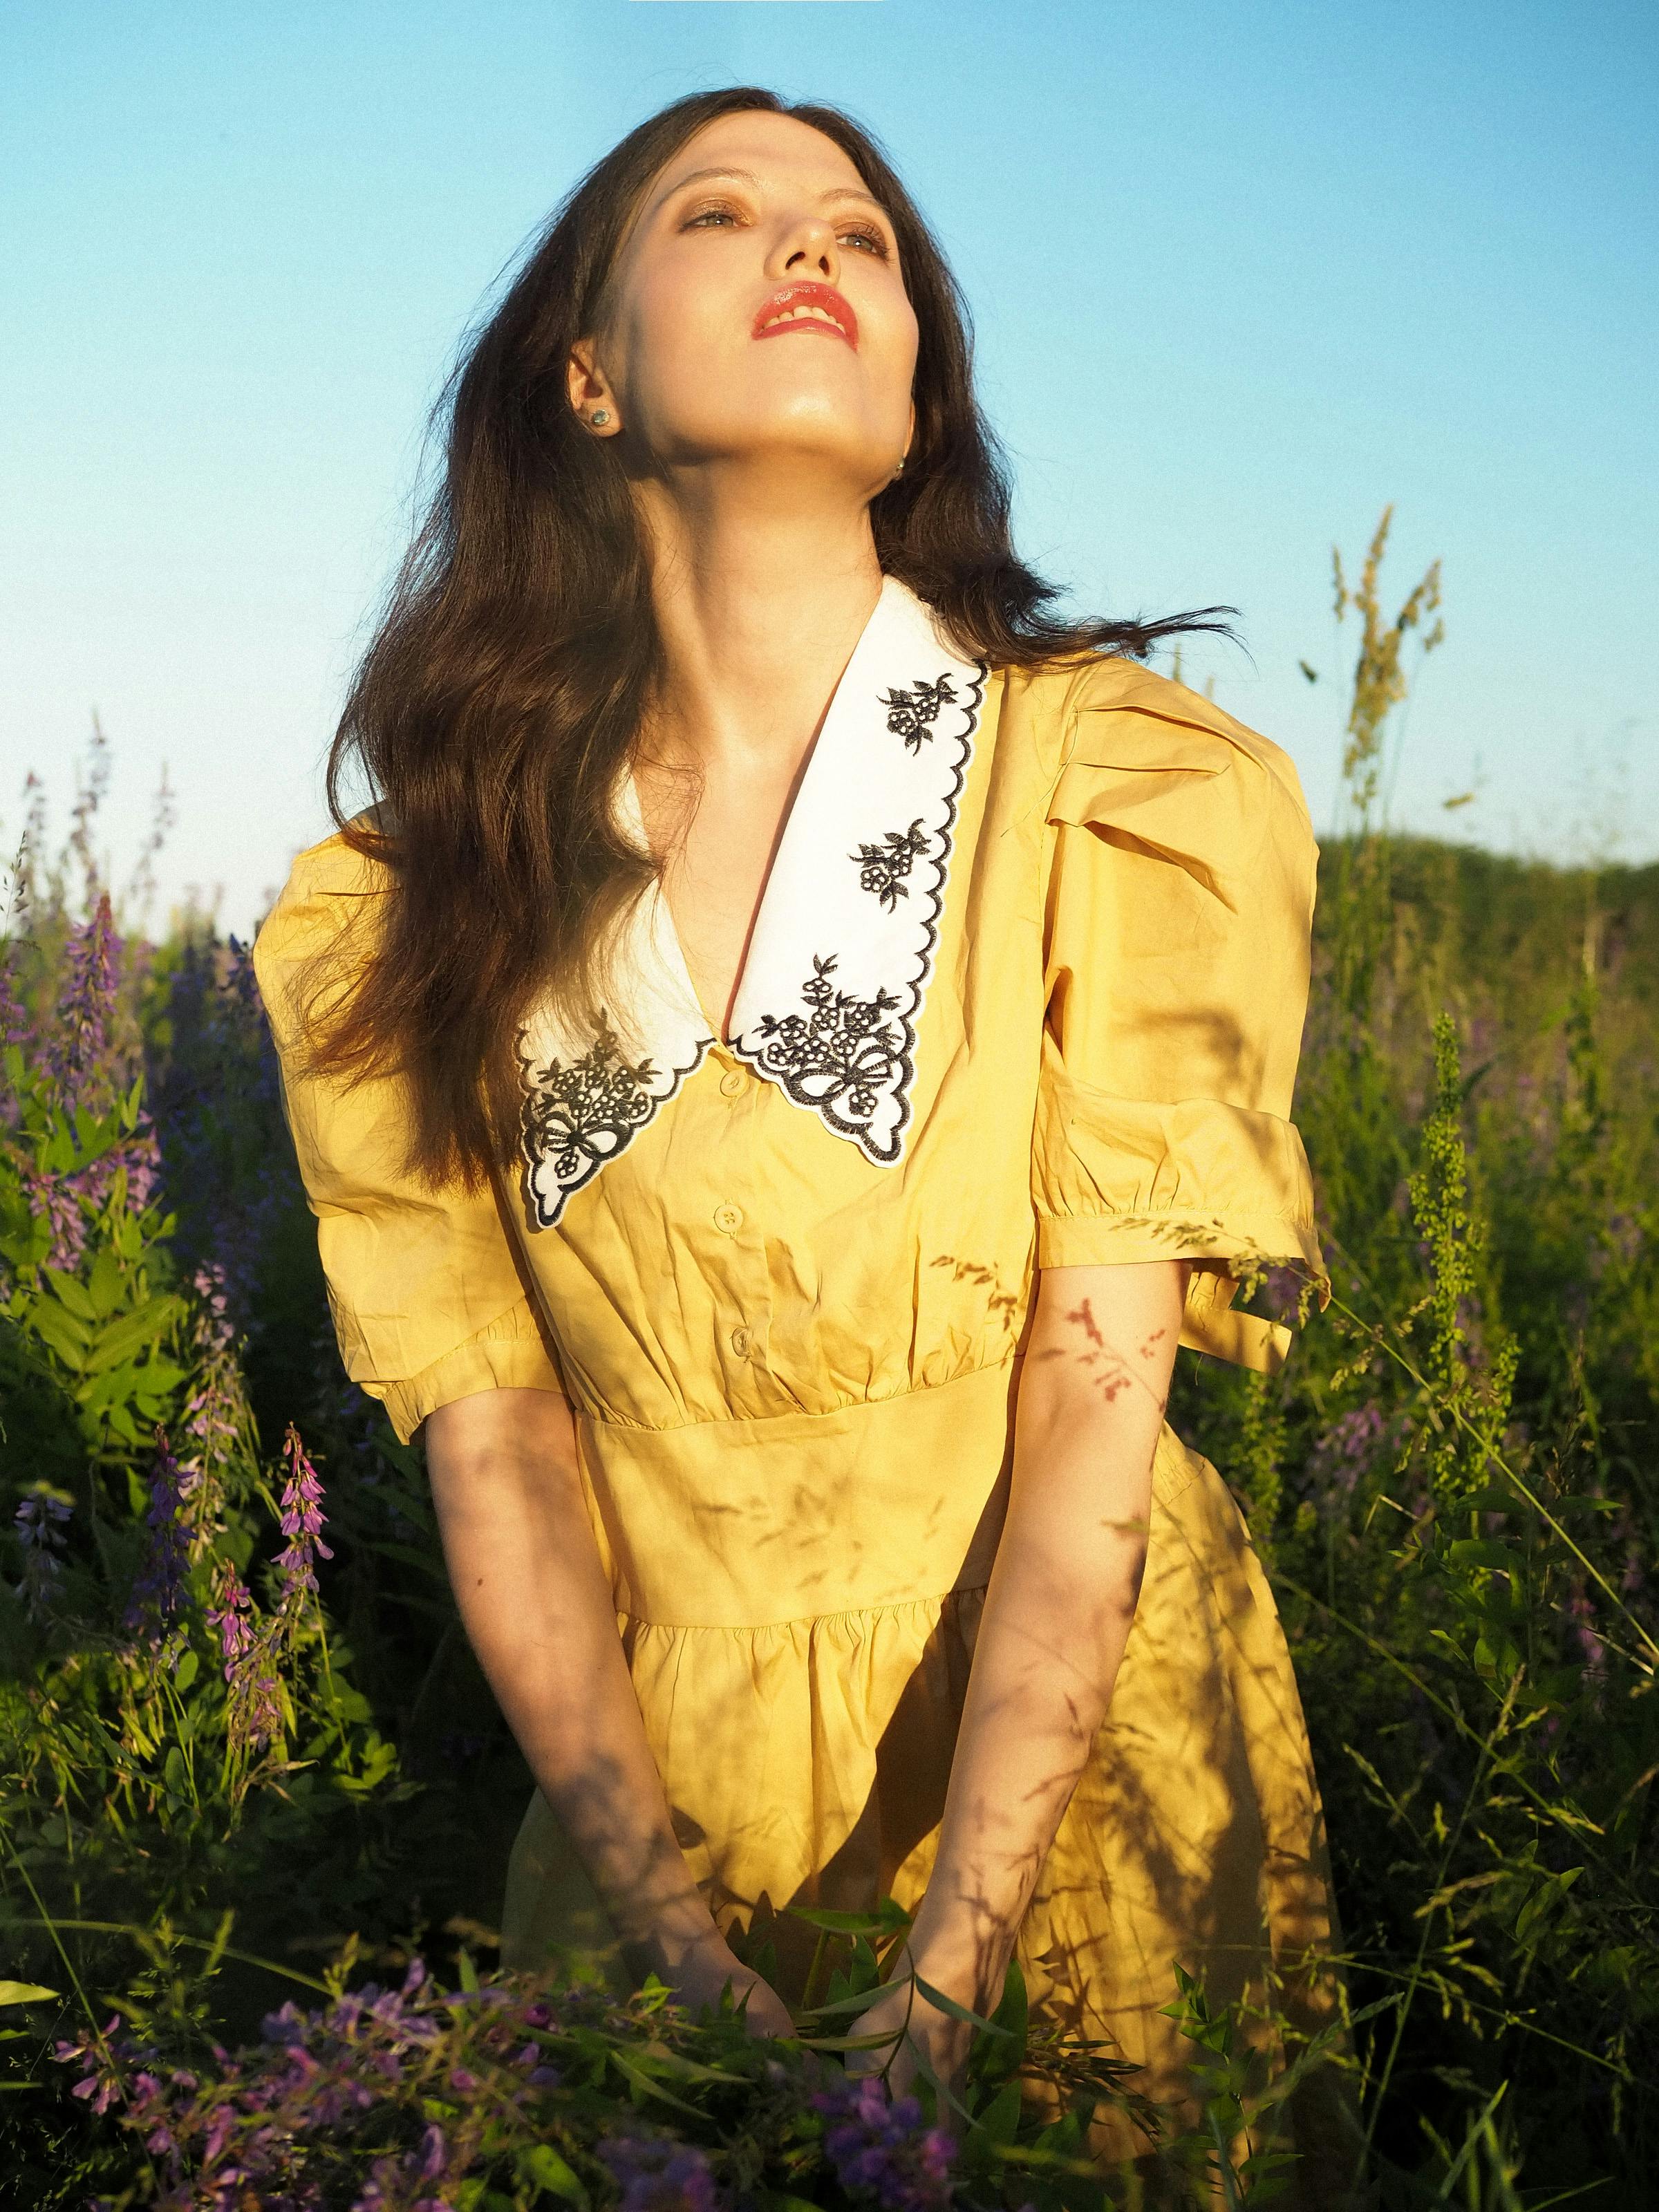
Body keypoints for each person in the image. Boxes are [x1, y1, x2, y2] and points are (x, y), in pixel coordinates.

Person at [254, 85, 1352, 2197]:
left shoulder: (1106, 782)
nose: (816, 249)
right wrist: (655, 1923)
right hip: (654, 1793)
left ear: (918, 373)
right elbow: (497, 1445)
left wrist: (954, 1965)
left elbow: (1095, 1389)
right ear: (583, 375)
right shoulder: (422, 902)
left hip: (1077, 1738)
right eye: (725, 211)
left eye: (864, 234)